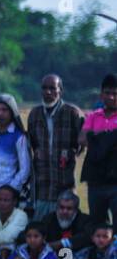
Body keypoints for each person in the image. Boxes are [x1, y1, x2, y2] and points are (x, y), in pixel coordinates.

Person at [25, 74, 84, 220]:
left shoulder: (72, 113)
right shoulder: (34, 114)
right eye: (44, 88)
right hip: (42, 185)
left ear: (60, 91)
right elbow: (32, 146)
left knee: (64, 227)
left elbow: (83, 143)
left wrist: (69, 154)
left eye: (52, 88)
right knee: (39, 229)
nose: (48, 92)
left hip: (64, 182)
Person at [78, 74, 117, 227]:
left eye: (115, 93)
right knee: (97, 225)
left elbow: (89, 139)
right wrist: (111, 140)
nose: (112, 97)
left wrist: (96, 138)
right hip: (96, 181)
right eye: (108, 93)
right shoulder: (93, 116)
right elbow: (82, 139)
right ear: (101, 95)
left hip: (116, 181)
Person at [40, 190, 93, 256]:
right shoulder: (48, 219)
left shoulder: (85, 220)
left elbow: (87, 236)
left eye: (69, 208)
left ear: (75, 209)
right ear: (57, 207)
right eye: (62, 207)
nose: (65, 211)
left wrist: (62, 243)